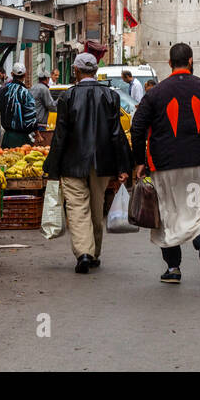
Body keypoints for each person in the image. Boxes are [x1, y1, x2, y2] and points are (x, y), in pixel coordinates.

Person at [129, 42, 200, 284]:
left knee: (168, 216)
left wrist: (139, 161)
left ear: (170, 63)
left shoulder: (154, 94)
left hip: (164, 165)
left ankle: (173, 269)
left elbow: (137, 128)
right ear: (191, 61)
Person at [45, 53, 132, 273]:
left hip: (72, 163)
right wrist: (124, 166)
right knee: (96, 207)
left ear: (76, 70)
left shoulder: (68, 97)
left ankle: (84, 252)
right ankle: (93, 253)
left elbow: (60, 135)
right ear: (94, 71)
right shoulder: (110, 96)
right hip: (102, 163)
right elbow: (116, 133)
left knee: (76, 208)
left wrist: (52, 168)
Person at [0, 62, 37, 147]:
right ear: (25, 75)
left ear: (11, 74)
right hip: (21, 139)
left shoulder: (2, 90)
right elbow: (31, 118)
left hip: (4, 136)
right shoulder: (25, 93)